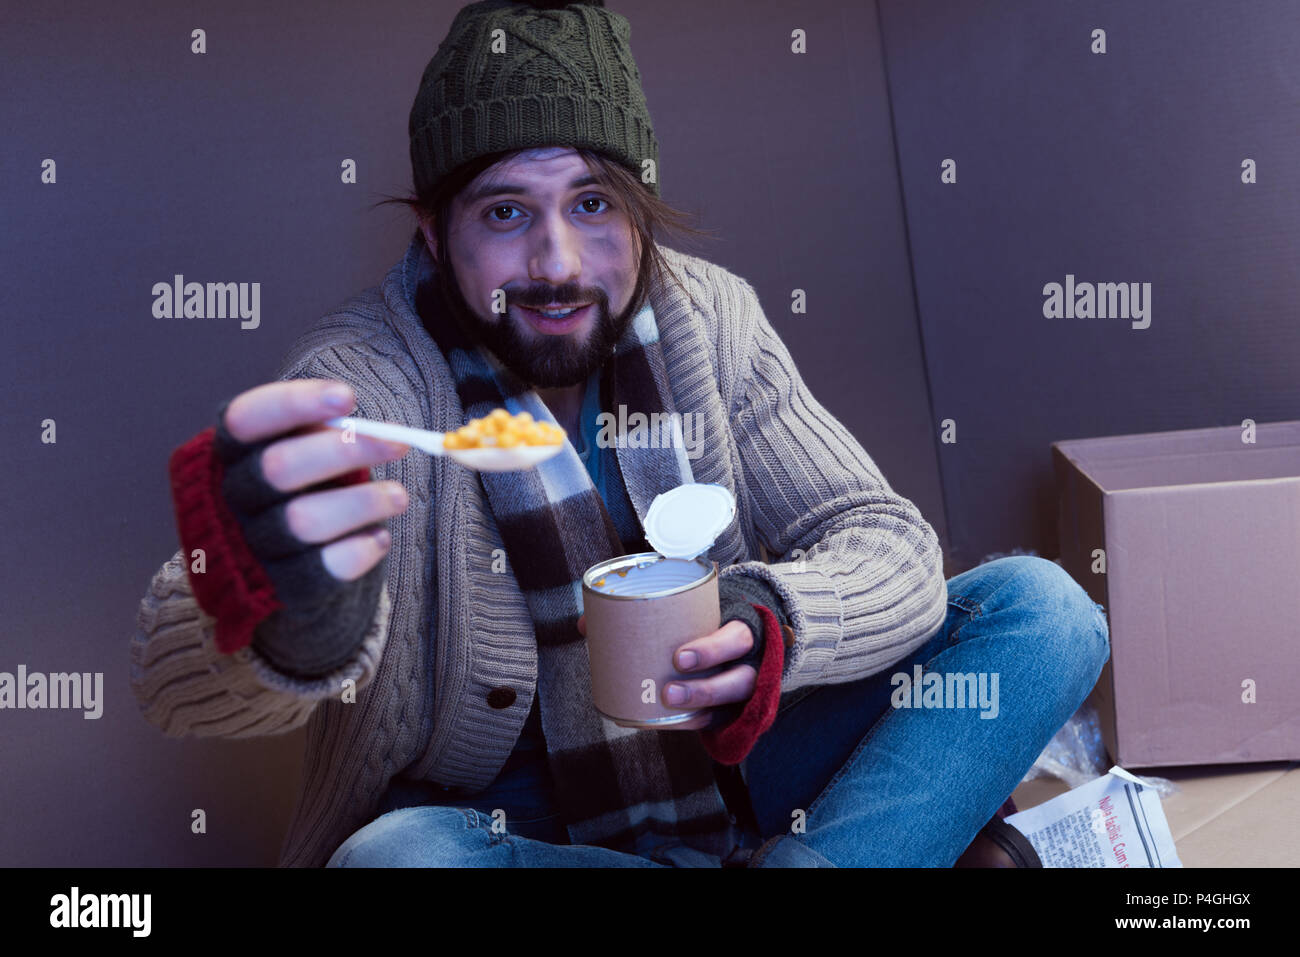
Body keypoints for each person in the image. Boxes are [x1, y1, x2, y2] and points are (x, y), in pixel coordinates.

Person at [131, 0, 1110, 868]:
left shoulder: (707, 320)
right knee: (396, 860)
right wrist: (283, 610)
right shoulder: (368, 380)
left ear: (639, 215)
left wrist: (775, 620)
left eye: (593, 204)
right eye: (506, 212)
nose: (556, 263)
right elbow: (177, 690)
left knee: (1044, 609)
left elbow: (879, 535)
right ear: (434, 234)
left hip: (740, 772)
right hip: (508, 827)